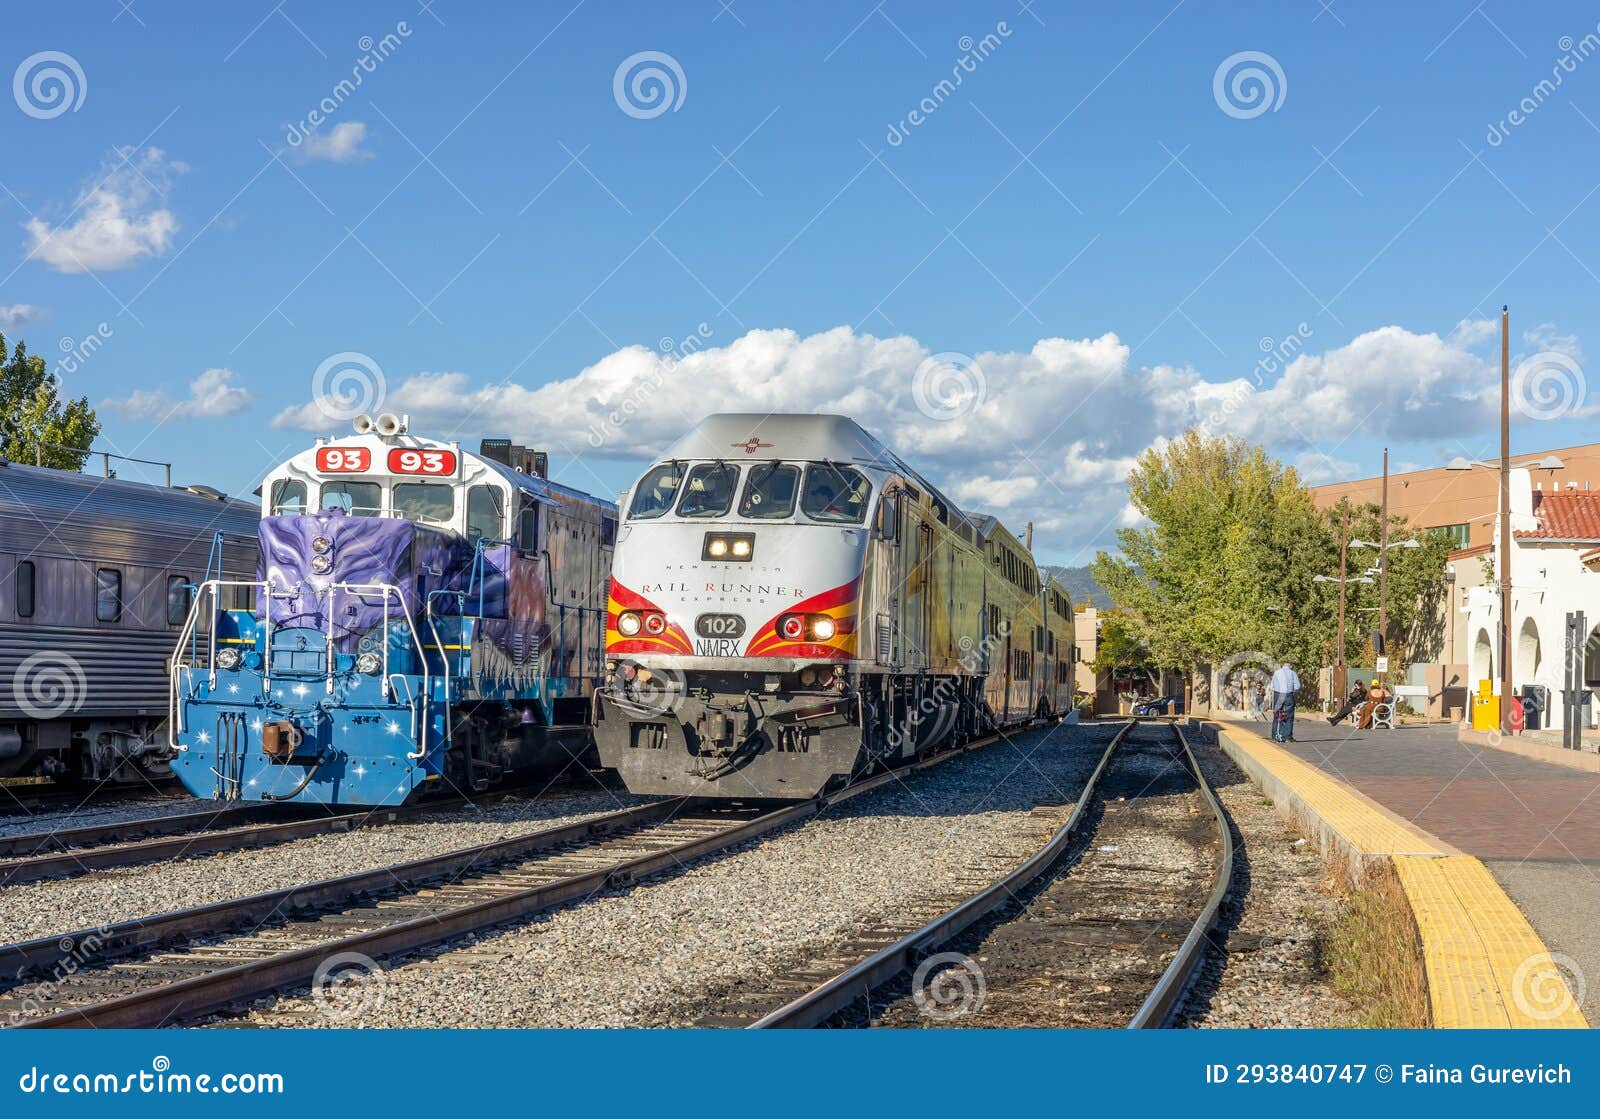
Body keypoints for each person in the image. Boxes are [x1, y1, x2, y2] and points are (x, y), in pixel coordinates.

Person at [1269, 660, 1301, 742]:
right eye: (1292, 666)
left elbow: (1272, 686)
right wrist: (1292, 691)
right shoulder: (1292, 673)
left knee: (1277, 715)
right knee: (1289, 716)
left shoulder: (1276, 673)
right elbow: (1297, 686)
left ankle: (1275, 736)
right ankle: (1287, 737)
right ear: (1289, 665)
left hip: (1278, 695)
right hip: (1288, 695)